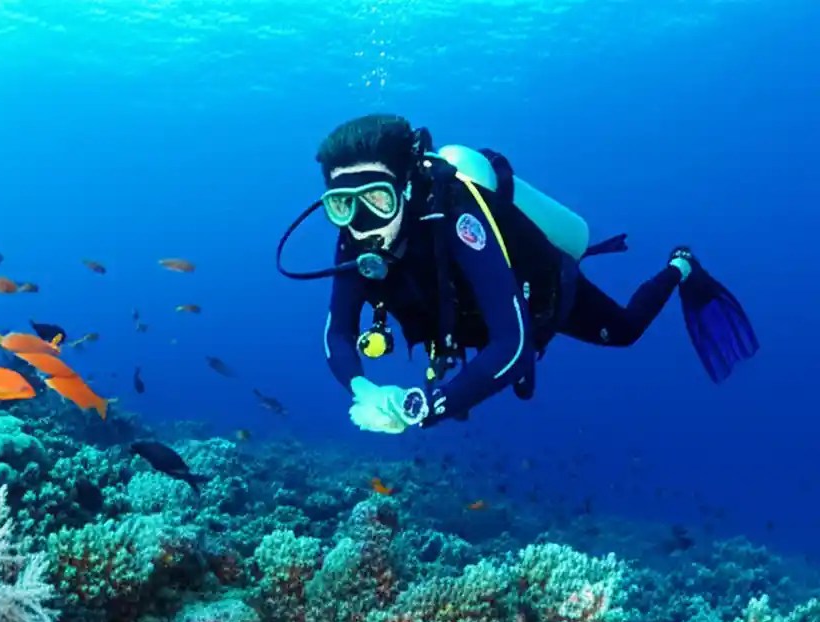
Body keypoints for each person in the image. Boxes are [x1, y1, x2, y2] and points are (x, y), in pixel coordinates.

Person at [275, 114, 758, 434]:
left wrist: (425, 407)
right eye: (342, 205)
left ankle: (680, 266)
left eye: (378, 199)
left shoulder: (458, 217)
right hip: (470, 323)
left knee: (625, 331)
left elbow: (512, 343)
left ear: (405, 187)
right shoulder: (356, 234)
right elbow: (337, 333)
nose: (361, 222)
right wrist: (364, 388)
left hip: (544, 298)